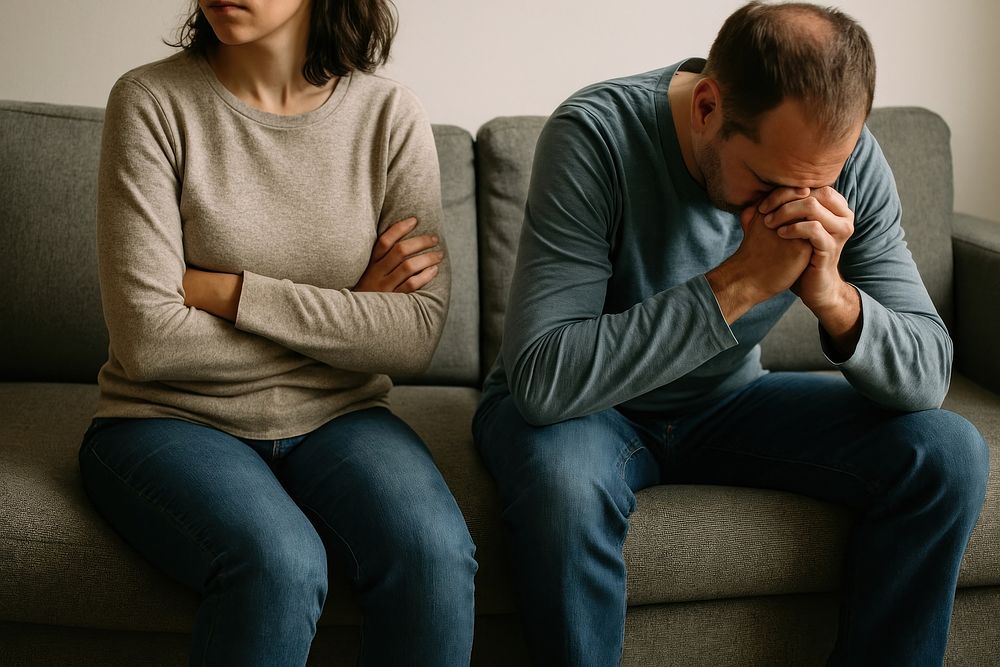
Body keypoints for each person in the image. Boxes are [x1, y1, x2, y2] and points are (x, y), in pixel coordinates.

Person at [472, 2, 989, 665]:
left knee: (948, 452)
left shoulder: (843, 158)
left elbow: (928, 374)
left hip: (728, 403)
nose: (794, 207)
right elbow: (543, 378)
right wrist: (741, 281)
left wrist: (833, 296)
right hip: (585, 411)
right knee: (564, 485)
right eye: (773, 184)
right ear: (708, 107)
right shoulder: (595, 134)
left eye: (818, 186)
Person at [77, 1, 476, 665]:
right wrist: (349, 313)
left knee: (433, 551)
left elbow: (413, 335)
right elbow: (149, 339)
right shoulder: (150, 102)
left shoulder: (388, 117)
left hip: (340, 415)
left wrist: (231, 292)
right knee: (279, 563)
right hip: (167, 418)